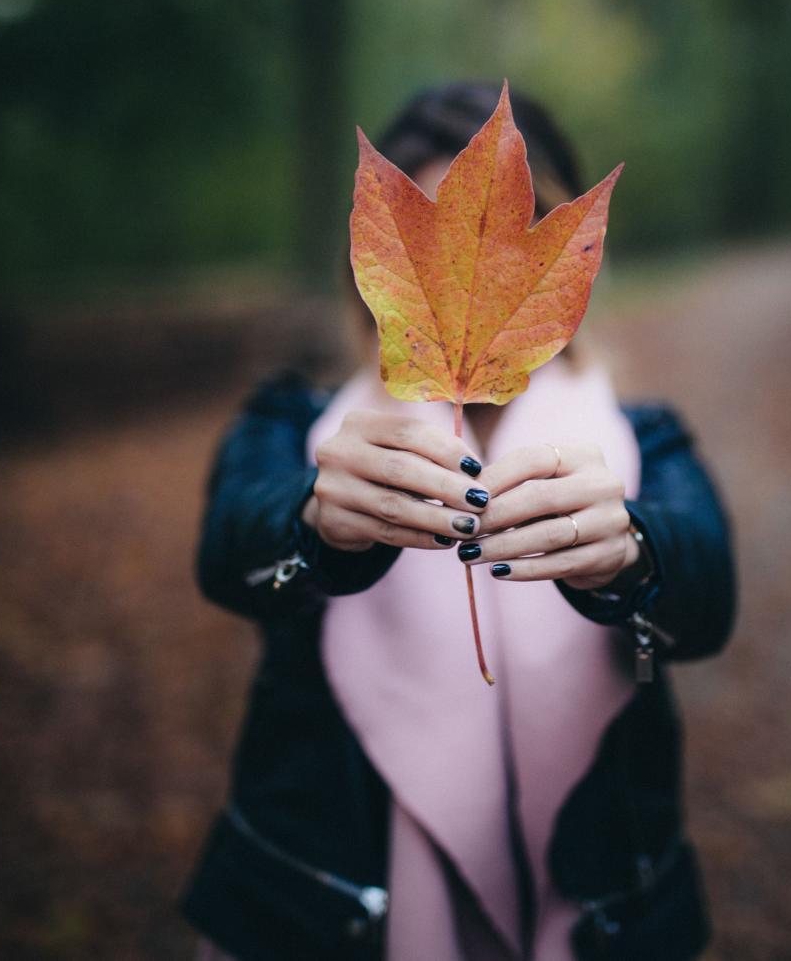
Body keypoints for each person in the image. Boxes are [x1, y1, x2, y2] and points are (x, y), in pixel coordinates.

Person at [179, 82, 736, 961]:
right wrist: (314, 523)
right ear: (372, 261)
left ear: (567, 265)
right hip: (327, 913)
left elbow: (707, 595)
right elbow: (229, 550)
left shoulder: (642, 439)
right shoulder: (296, 426)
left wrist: (631, 551)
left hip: (595, 916)